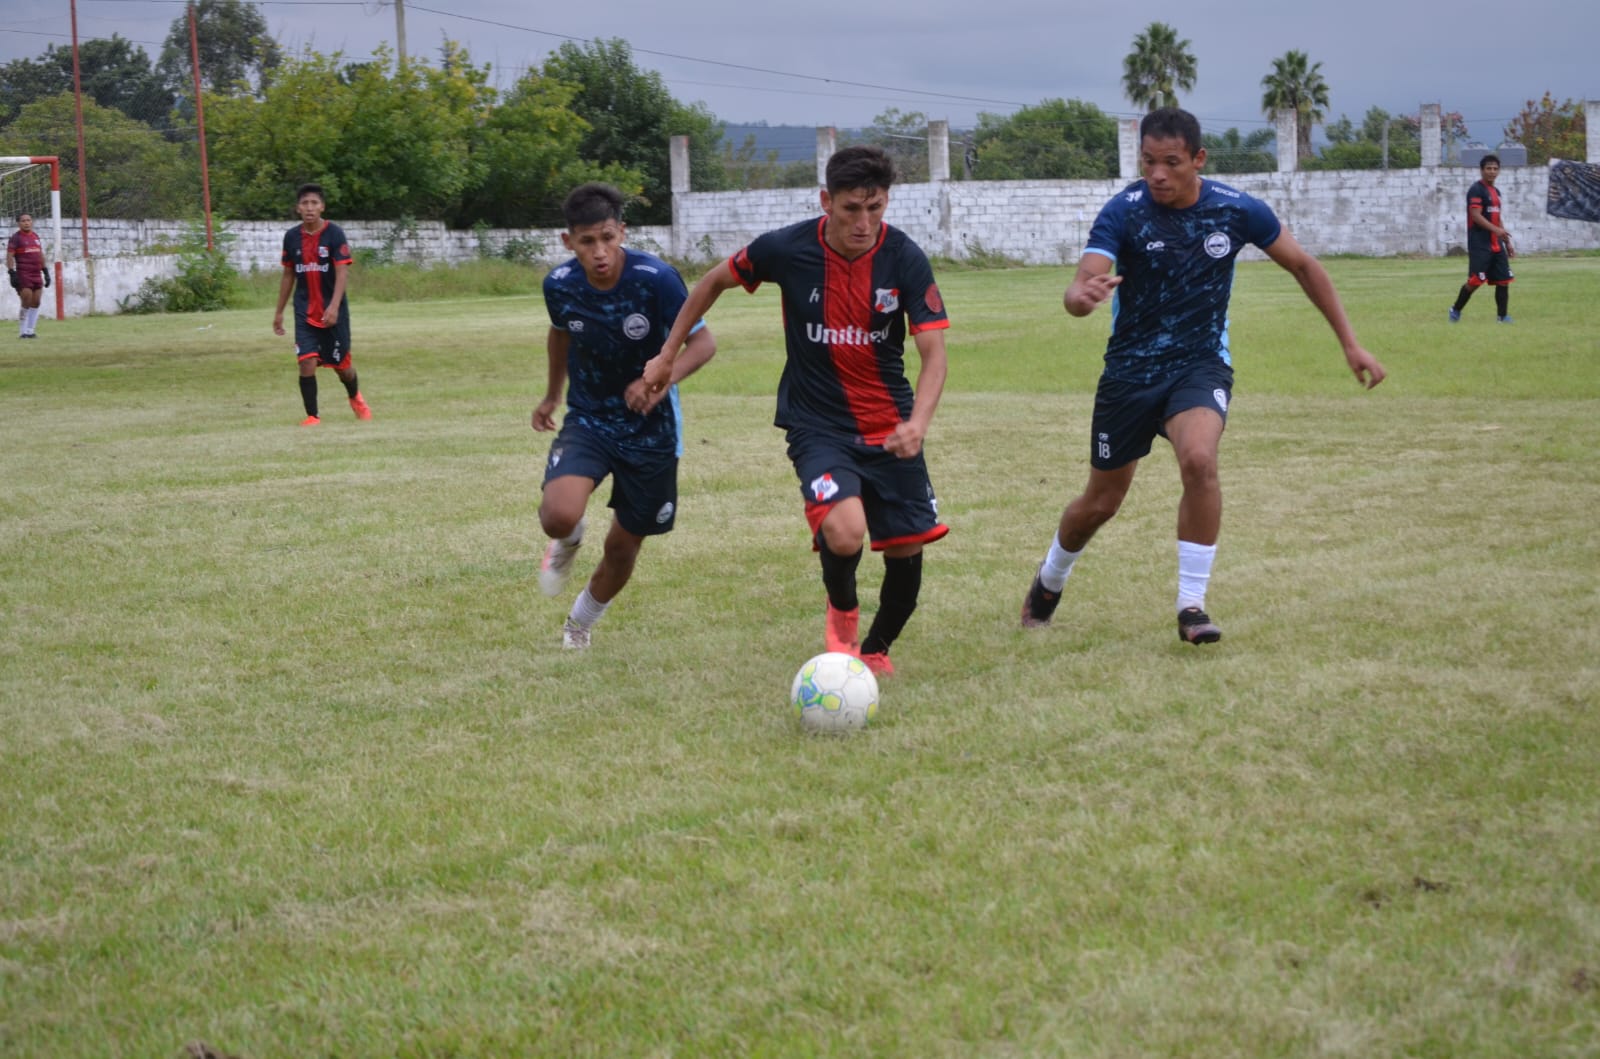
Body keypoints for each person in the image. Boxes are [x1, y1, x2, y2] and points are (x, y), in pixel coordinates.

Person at [1020, 107, 1386, 645]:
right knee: (1100, 504)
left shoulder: (1236, 210)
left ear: (1198, 159)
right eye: (1148, 162)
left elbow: (1306, 267)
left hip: (1199, 364)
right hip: (1128, 374)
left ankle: (1192, 606)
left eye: (1171, 162)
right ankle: (1050, 579)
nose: (1158, 175)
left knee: (1199, 458)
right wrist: (1082, 297)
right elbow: (1079, 290)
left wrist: (1350, 343)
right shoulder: (1123, 212)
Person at [644, 145, 951, 677]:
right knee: (846, 529)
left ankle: (875, 652)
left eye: (875, 208)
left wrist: (918, 423)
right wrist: (667, 355)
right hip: (818, 426)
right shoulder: (787, 248)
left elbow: (934, 354)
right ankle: (843, 615)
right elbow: (712, 282)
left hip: (891, 425)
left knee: (904, 553)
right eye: (852, 208)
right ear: (826, 200)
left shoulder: (903, 257)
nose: (864, 222)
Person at [534, 182, 716, 650]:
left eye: (608, 238)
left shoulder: (656, 280)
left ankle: (579, 624)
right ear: (567, 241)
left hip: (652, 430)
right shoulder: (559, 285)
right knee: (557, 514)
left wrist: (662, 381)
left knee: (622, 547)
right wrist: (553, 395)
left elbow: (704, 344)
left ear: (623, 232)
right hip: (591, 417)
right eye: (587, 241)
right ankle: (568, 539)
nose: (599, 252)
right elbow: (561, 335)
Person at [272, 183, 372, 425]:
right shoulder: (291, 237)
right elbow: (288, 275)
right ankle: (312, 416)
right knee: (306, 361)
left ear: (322, 207)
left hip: (333, 312)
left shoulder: (334, 234)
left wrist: (335, 306)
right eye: (305, 203)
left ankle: (355, 397)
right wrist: (279, 312)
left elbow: (342, 273)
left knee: (342, 366)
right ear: (298, 208)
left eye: (314, 203)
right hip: (304, 310)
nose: (309, 208)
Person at [1448, 154, 1515, 323]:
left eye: (1495, 169)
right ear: (1482, 170)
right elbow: (1476, 216)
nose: (1492, 172)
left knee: (1503, 280)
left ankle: (1502, 317)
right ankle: (1455, 310)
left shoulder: (1496, 192)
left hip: (1497, 244)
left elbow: (1497, 217)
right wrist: (1496, 230)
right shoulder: (1476, 190)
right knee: (1476, 280)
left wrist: (1507, 241)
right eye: (1488, 168)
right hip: (1480, 244)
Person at [6, 212, 49, 339]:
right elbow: (9, 256)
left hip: (36, 273)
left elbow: (40, 255)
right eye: (23, 220)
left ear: (32, 222)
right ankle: (22, 331)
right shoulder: (16, 238)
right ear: (19, 223)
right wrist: (11, 272)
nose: (26, 222)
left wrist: (45, 271)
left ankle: (31, 331)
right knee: (27, 299)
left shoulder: (35, 236)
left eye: (28, 220)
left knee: (36, 301)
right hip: (23, 273)